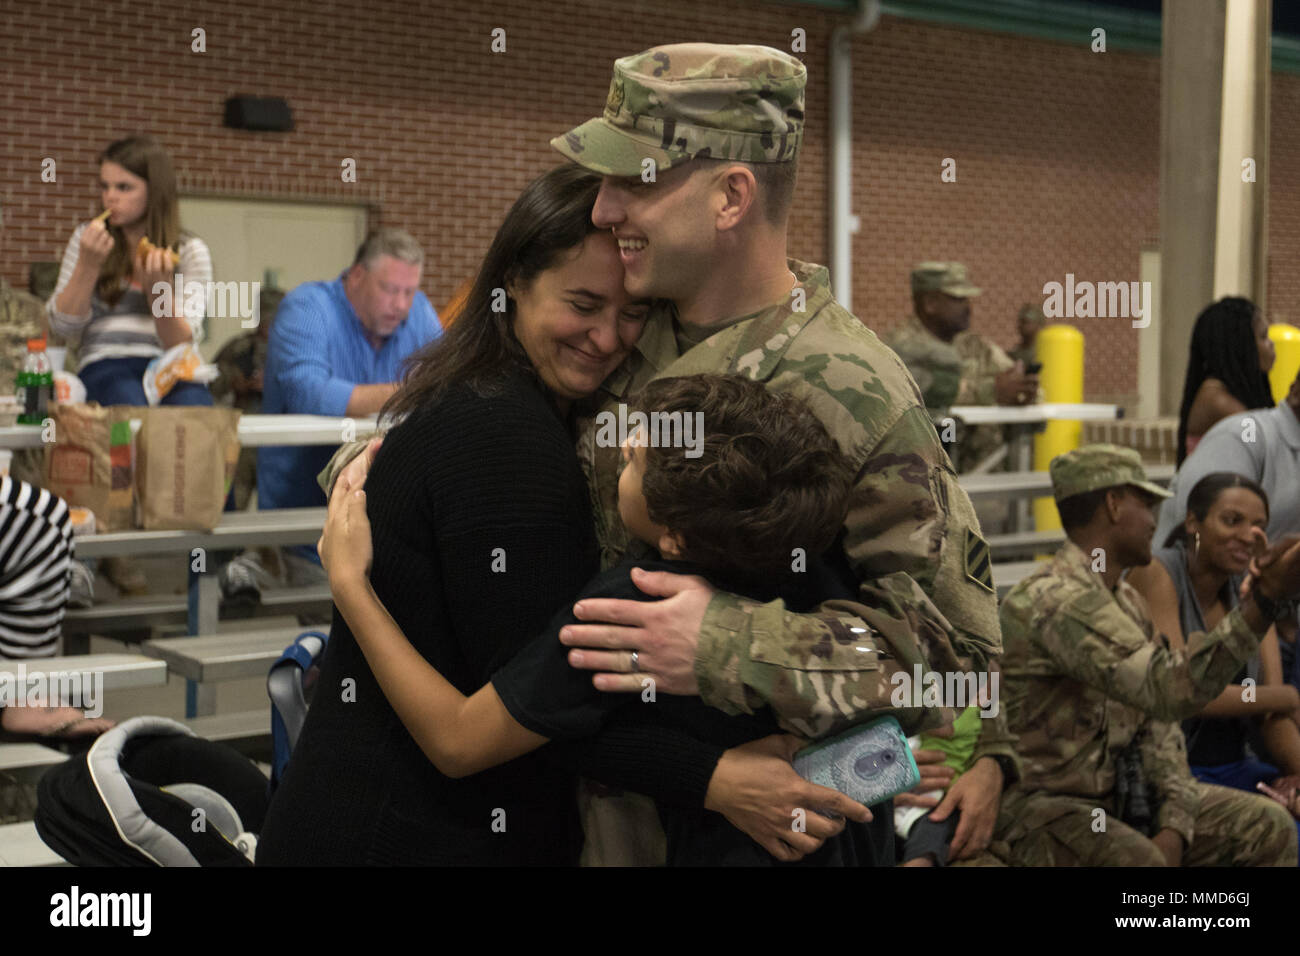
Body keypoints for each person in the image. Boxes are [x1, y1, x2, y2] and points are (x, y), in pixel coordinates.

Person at [328, 43, 1018, 864]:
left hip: (737, 832)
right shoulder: (622, 325)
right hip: (574, 807)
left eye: (638, 181)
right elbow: (486, 424)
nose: (605, 208)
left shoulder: (853, 389)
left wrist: (726, 643)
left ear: (732, 196)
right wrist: (377, 473)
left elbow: (957, 660)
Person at [259, 165, 868, 866]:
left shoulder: (509, 402)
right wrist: (716, 778)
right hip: (398, 829)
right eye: (581, 304)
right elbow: (508, 719)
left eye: (632, 313)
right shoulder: (505, 438)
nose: (607, 338)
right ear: (513, 281)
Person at [319, 373, 898, 865]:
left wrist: (352, 588)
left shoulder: (630, 607)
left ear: (674, 536)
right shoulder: (807, 560)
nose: (624, 451)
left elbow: (458, 741)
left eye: (636, 463)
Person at [990, 444, 1299, 866]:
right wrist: (1262, 602)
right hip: (1049, 808)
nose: (1155, 520)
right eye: (1147, 504)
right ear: (1114, 505)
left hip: (1120, 796)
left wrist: (1174, 823)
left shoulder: (1124, 601)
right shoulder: (1058, 599)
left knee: (1267, 825)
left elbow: (1160, 727)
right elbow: (1168, 689)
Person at [220, 230, 441, 604]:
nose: (401, 304)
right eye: (390, 289)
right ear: (356, 277)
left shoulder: (417, 312)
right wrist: (410, 392)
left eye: (409, 292)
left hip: (385, 527)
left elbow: (448, 379)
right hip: (304, 527)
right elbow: (310, 392)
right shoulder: (307, 308)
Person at [1127, 473, 1300, 831]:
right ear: (1193, 522)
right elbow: (1182, 693)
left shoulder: (1251, 588)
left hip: (1236, 764)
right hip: (1170, 770)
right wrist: (1285, 696)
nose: (1247, 535)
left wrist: (1298, 776)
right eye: (1232, 520)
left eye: (1258, 526)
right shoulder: (1157, 573)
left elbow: (1270, 712)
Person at [47, 135, 214, 408]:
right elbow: (62, 327)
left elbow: (180, 343)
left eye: (124, 187)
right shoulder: (86, 239)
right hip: (105, 362)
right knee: (127, 400)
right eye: (105, 186)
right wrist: (88, 267)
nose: (110, 197)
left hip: (169, 365)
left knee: (195, 406)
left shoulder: (189, 251)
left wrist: (157, 290)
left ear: (154, 191)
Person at [885, 263, 1039, 473]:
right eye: (958, 299)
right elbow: (920, 390)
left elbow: (1019, 382)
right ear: (930, 303)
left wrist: (1024, 392)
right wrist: (993, 390)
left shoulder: (976, 346)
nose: (968, 307)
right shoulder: (898, 347)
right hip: (925, 480)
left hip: (988, 481)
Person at [1175, 297, 1275, 465]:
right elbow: (1268, 446)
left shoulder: (1234, 391)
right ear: (1240, 346)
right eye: (1264, 336)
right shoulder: (1217, 400)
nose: (1271, 344)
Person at [211, 286, 284, 510]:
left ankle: (273, 546)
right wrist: (235, 381)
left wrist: (273, 386)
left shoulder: (293, 351)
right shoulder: (239, 348)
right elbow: (211, 381)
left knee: (277, 510)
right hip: (241, 440)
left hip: (279, 441)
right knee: (232, 506)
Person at [1008, 304, 1045, 368]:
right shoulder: (1015, 352)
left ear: (1038, 325)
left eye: (1025, 322)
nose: (1020, 326)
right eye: (1020, 322)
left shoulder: (1045, 351)